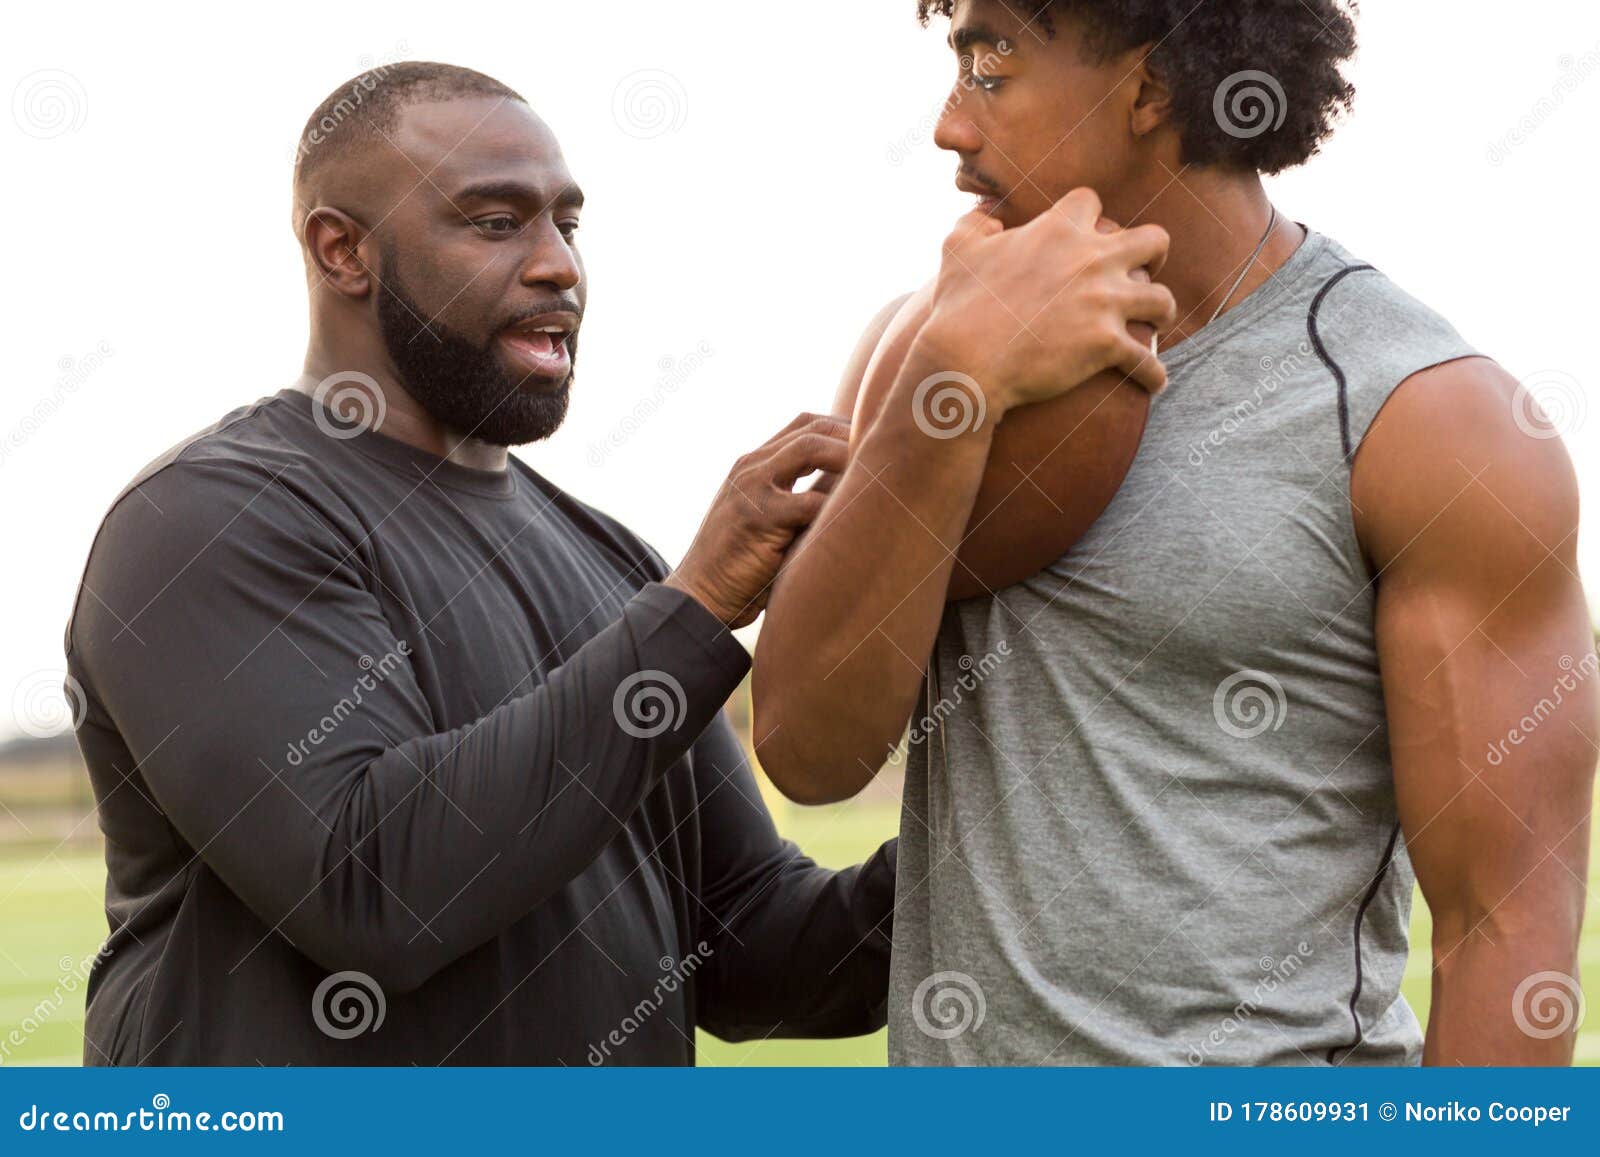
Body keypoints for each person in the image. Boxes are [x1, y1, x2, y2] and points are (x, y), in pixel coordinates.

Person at [64, 61, 1167, 1064]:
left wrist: (1034, 824)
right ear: (341, 248)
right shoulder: (211, 519)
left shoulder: (603, 555)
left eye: (567, 223)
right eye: (493, 222)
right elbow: (375, 887)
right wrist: (695, 604)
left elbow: (755, 951)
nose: (557, 266)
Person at [753, 0, 1596, 1066]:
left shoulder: (1424, 419)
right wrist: (946, 380)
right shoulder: (917, 350)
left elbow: (1505, 926)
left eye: (989, 67)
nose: (948, 127)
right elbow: (807, 748)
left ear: (1150, 88)